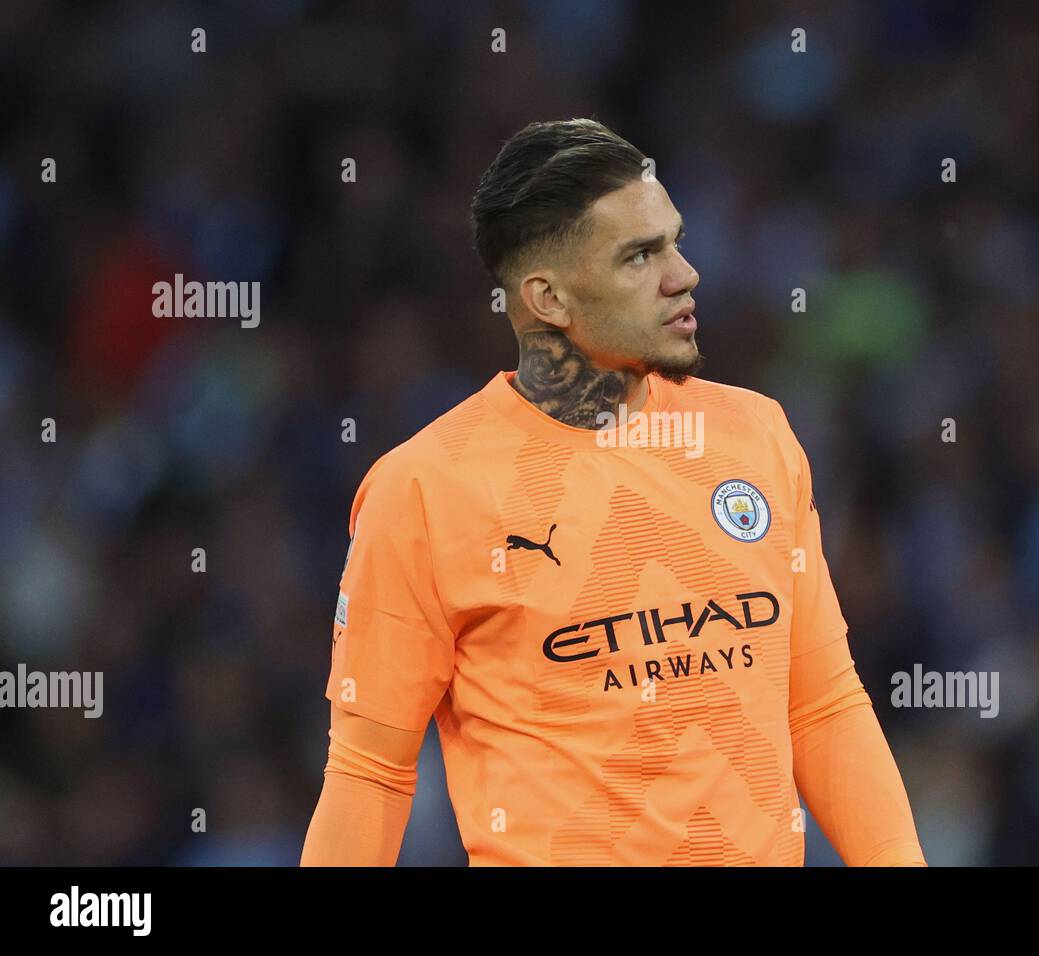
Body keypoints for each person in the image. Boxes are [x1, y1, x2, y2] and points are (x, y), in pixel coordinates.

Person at [301, 118, 926, 866]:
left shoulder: (756, 436)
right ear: (548, 299)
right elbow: (371, 771)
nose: (685, 274)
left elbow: (823, 705)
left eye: (675, 240)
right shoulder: (423, 490)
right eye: (640, 256)